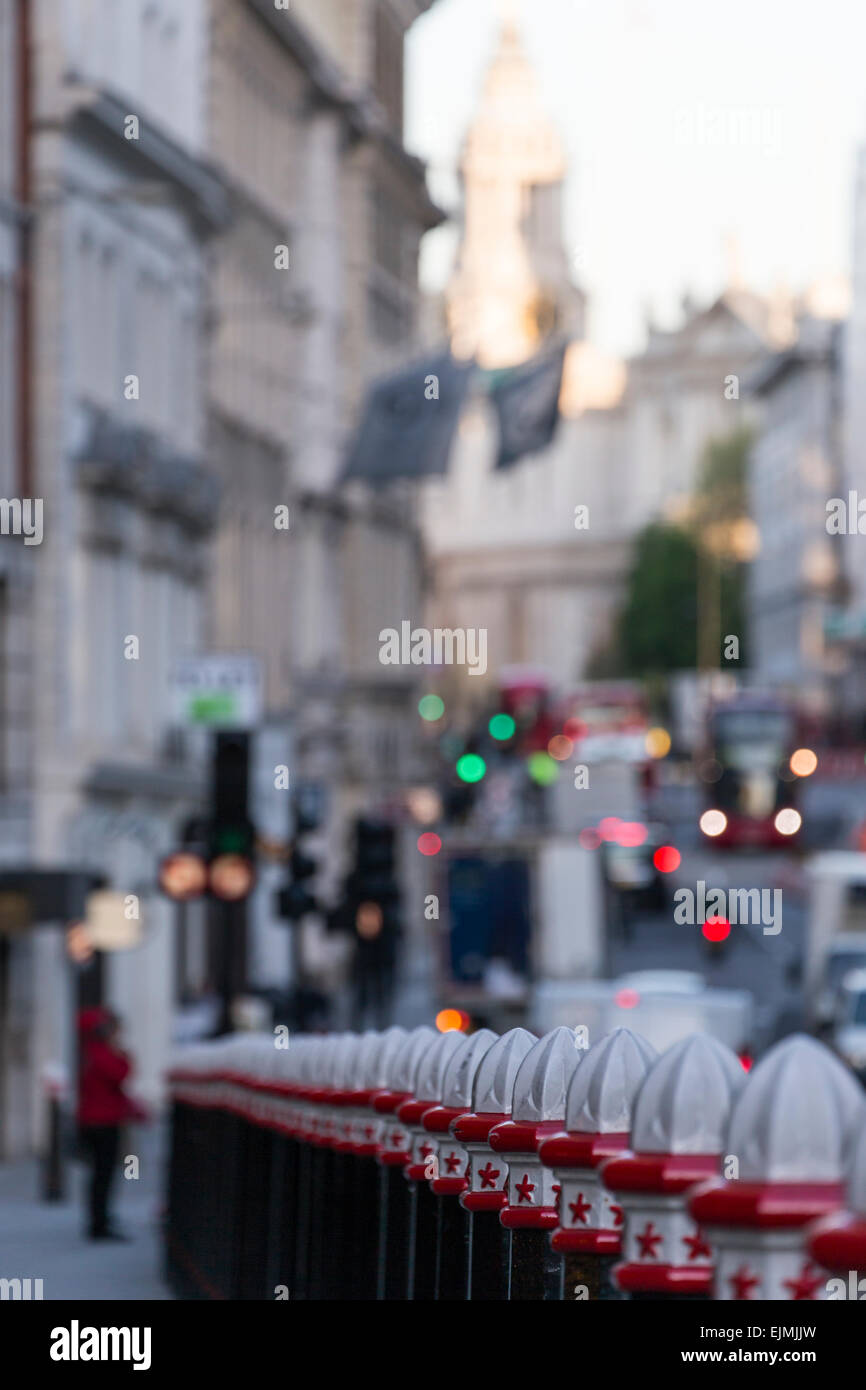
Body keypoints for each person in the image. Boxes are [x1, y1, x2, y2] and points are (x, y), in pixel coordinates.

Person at [76, 1007, 143, 1241]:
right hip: (101, 1122)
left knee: (103, 1173)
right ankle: (99, 1223)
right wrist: (124, 1055)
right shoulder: (100, 1053)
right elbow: (121, 1074)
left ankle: (102, 1218)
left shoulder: (93, 1052)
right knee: (103, 1174)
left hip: (101, 1119)